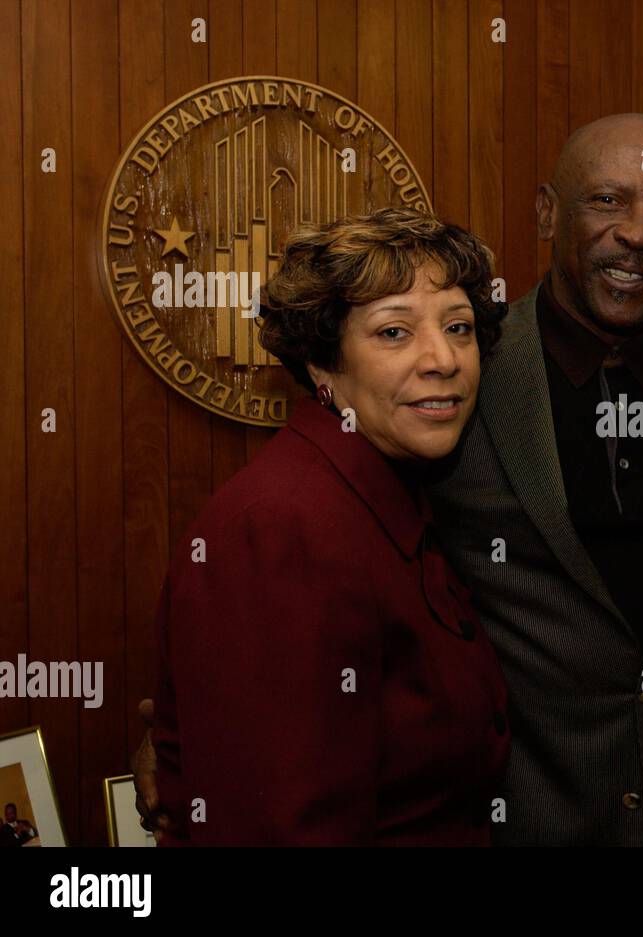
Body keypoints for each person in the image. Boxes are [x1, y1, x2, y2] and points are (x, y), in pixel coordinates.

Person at [134, 114, 643, 846]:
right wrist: (190, 740)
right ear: (321, 360)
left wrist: (195, 735)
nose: (639, 232)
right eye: (392, 330)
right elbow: (273, 720)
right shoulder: (311, 503)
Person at [147, 208, 511, 845]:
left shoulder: (386, 492)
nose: (443, 358)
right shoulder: (284, 531)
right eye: (394, 332)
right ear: (322, 364)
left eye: (459, 327)